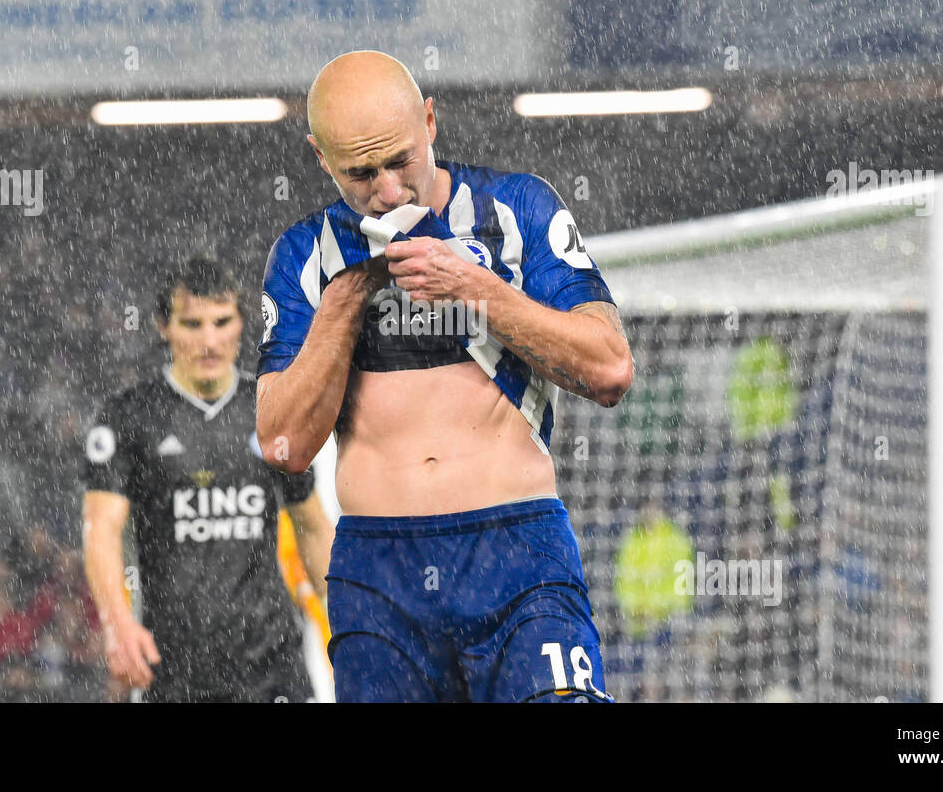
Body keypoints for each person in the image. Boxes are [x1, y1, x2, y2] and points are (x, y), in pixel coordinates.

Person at [256, 51, 634, 702]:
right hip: (379, 573)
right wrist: (347, 298)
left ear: (430, 121)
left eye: (400, 160)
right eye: (360, 173)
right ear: (321, 159)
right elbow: (284, 446)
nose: (390, 191)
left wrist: (475, 288)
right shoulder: (305, 256)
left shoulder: (517, 210)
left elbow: (609, 368)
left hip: (516, 552)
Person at [83, 257, 333, 702]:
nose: (209, 340)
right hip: (175, 667)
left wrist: (350, 623)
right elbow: (100, 528)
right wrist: (118, 625)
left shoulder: (271, 411)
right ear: (164, 326)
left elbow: (312, 524)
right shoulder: (130, 417)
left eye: (221, 321)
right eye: (192, 324)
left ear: (241, 322)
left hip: (272, 663)